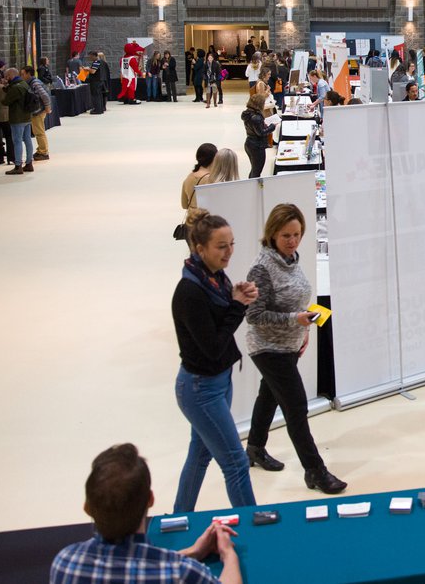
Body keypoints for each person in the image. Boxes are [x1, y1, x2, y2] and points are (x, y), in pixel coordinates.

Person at [242, 203, 347, 494]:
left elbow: (294, 300)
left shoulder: (291, 259)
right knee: (296, 408)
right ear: (272, 234)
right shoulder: (262, 268)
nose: (293, 241)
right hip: (267, 347)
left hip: (288, 343)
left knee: (268, 395)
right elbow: (253, 316)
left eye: (297, 234)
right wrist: (294, 320)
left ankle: (255, 448)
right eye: (286, 235)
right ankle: (315, 471)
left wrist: (302, 326)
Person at [50, 443, 243, 584]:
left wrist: (192, 552)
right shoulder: (180, 574)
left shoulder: (65, 563)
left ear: (87, 508)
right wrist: (228, 554)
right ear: (151, 500)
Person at [171, 210, 259, 513]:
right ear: (200, 249)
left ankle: (180, 518)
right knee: (235, 461)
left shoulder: (214, 278)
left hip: (218, 382)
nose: (229, 252)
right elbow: (212, 346)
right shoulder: (189, 292)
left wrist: (235, 297)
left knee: (200, 454)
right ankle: (254, 528)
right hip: (200, 389)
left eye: (231, 244)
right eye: (221, 246)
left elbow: (218, 323)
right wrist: (237, 306)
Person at [2, 67, 36, 175]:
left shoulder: (15, 88)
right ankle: (29, 163)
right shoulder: (24, 84)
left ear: (10, 76)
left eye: (6, 77)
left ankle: (18, 165)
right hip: (26, 116)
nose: (5, 79)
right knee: (27, 139)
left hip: (17, 118)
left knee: (17, 141)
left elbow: (6, 101)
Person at [242, 90, 278, 178]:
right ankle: (253, 188)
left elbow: (256, 128)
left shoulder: (247, 114)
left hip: (249, 143)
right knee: (257, 170)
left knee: (254, 169)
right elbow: (261, 133)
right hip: (257, 146)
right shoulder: (256, 117)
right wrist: (272, 126)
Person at [182, 143, 218, 223]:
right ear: (215, 159)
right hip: (205, 223)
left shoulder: (189, 177)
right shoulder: (211, 180)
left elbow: (184, 205)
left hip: (190, 222)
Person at [23, 65, 51, 161]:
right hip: (37, 110)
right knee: (37, 131)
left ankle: (43, 152)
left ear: (28, 74)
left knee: (39, 132)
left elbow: (45, 96)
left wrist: (47, 107)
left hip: (38, 111)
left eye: (23, 74)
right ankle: (41, 150)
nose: (22, 76)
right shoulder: (32, 82)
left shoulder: (35, 83)